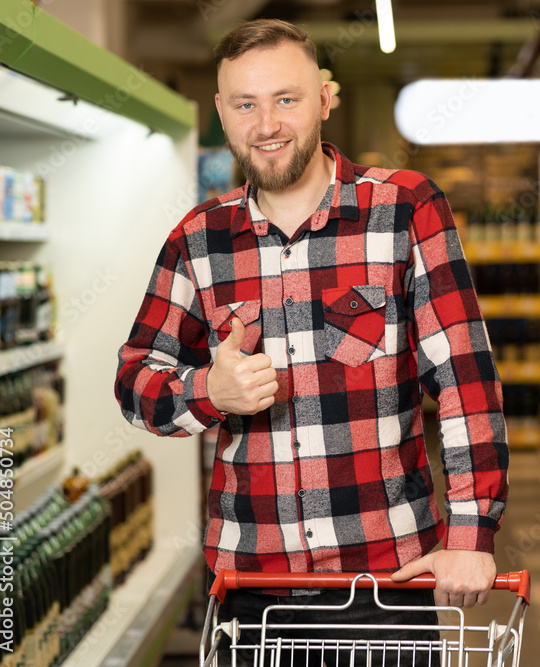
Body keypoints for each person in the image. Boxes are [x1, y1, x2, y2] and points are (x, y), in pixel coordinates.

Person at [114, 18, 509, 665]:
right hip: (252, 587)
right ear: (221, 111)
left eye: (286, 99)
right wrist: (205, 390)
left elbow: (463, 375)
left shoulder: (403, 208)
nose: (266, 123)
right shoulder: (199, 239)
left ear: (325, 99)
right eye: (245, 104)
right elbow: (134, 380)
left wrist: (470, 528)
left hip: (384, 587)